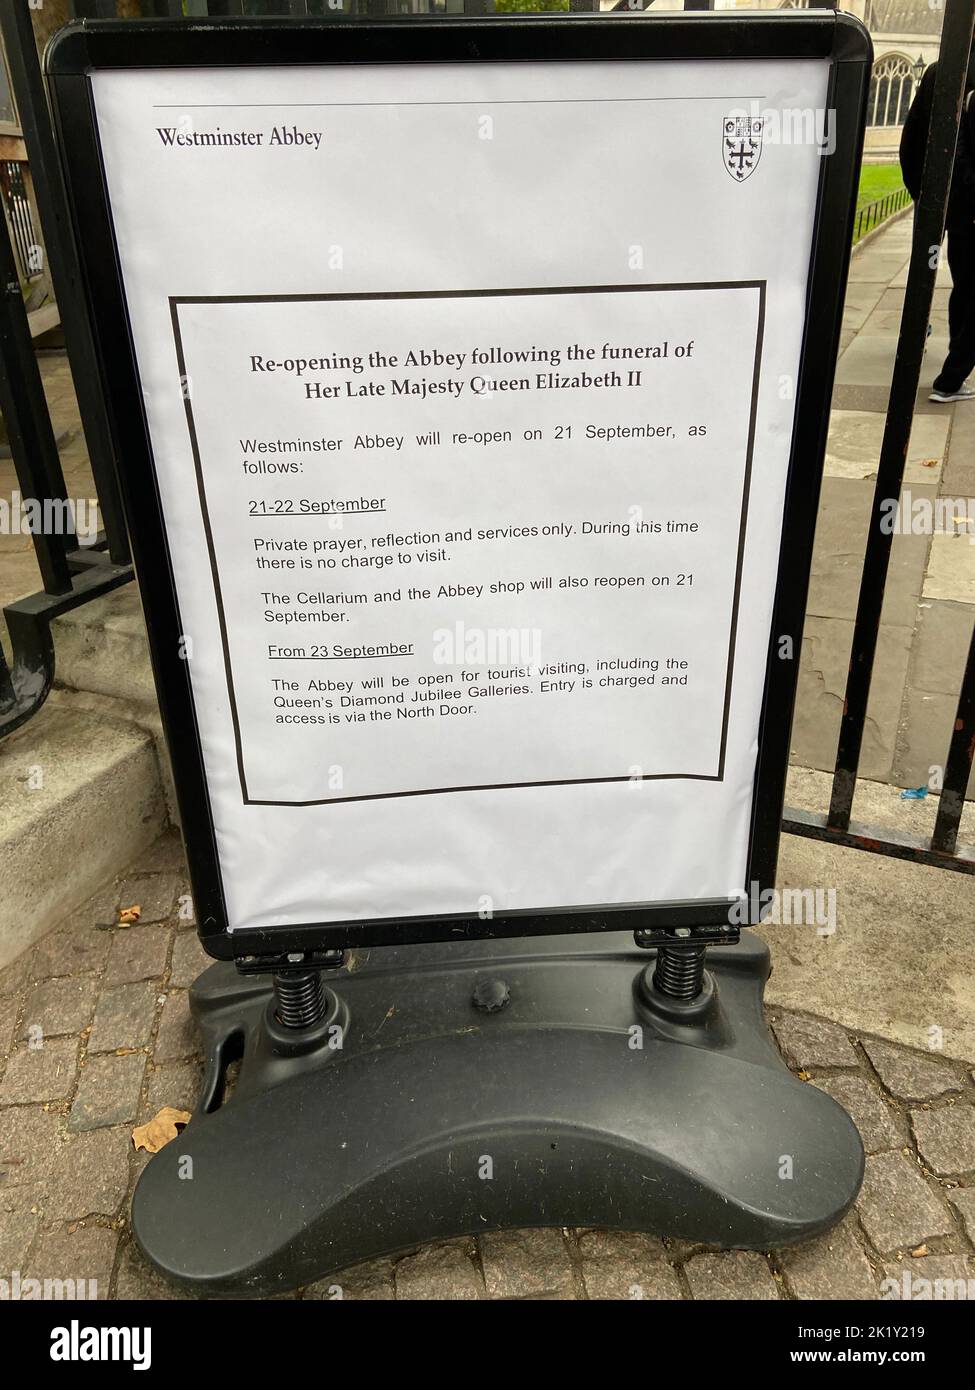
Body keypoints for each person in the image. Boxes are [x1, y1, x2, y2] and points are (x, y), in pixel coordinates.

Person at [900, 52, 975, 402]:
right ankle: (950, 378)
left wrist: (924, 195)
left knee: (927, 276)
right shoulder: (943, 73)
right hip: (965, 205)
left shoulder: (937, 71)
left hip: (938, 199)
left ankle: (914, 349)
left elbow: (911, 140)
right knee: (966, 285)